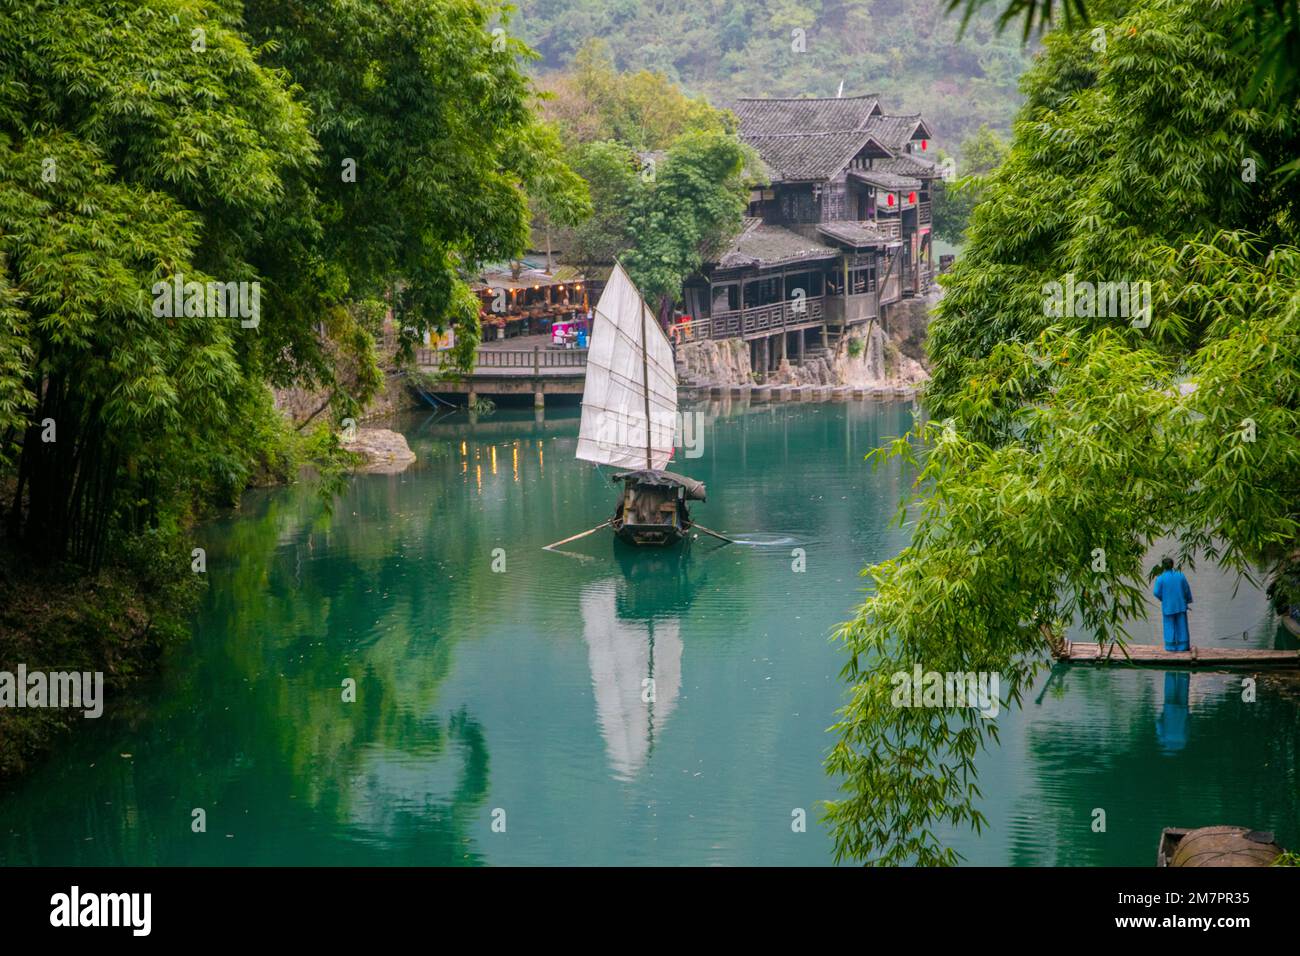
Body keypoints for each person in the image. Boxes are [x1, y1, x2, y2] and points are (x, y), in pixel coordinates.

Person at [1153, 557, 1193, 651]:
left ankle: (1170, 646)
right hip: (1180, 605)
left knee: (1169, 625)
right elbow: (1186, 589)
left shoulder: (1160, 578)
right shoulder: (1180, 575)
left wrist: (1163, 598)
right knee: (1182, 625)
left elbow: (1156, 592)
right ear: (1172, 565)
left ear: (1163, 566)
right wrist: (1187, 600)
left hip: (1168, 606)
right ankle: (1183, 646)